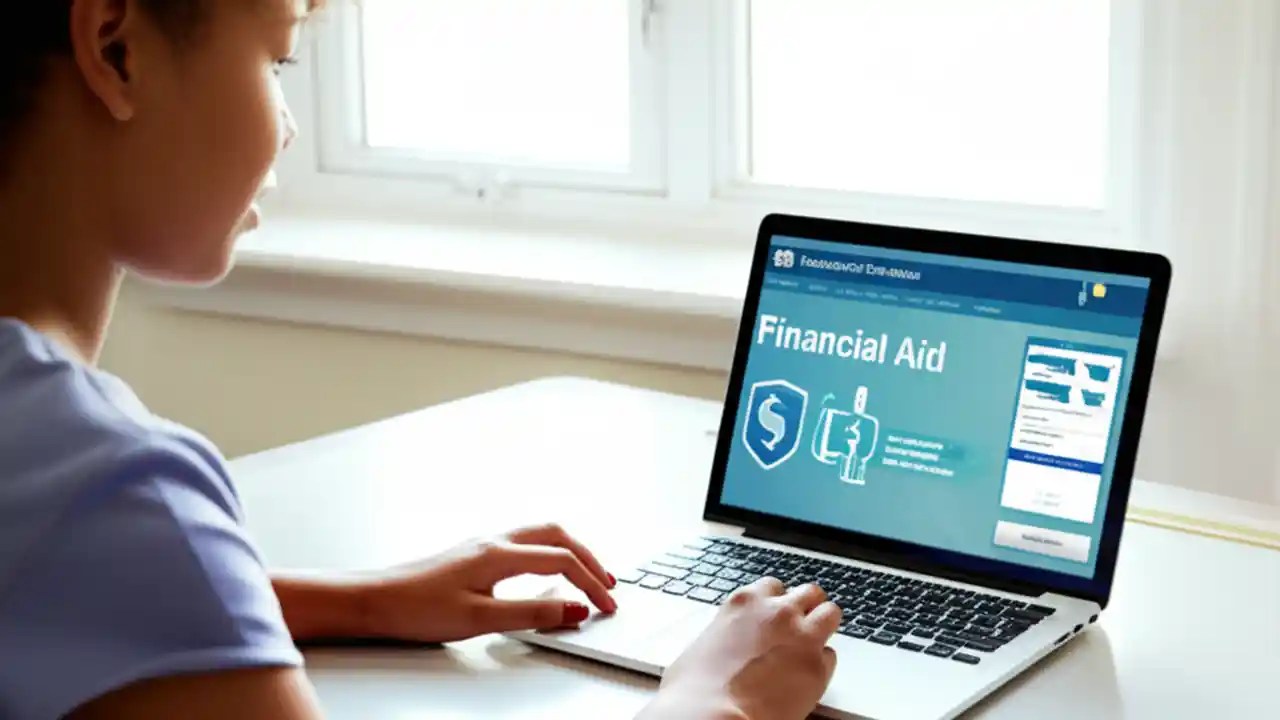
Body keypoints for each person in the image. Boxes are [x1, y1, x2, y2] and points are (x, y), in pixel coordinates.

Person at [0, 2, 842, 719]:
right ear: (115, 49)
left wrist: (364, 600)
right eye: (279, 57)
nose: (288, 125)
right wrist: (712, 699)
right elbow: (101, 549)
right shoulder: (108, 489)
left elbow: (60, 585)